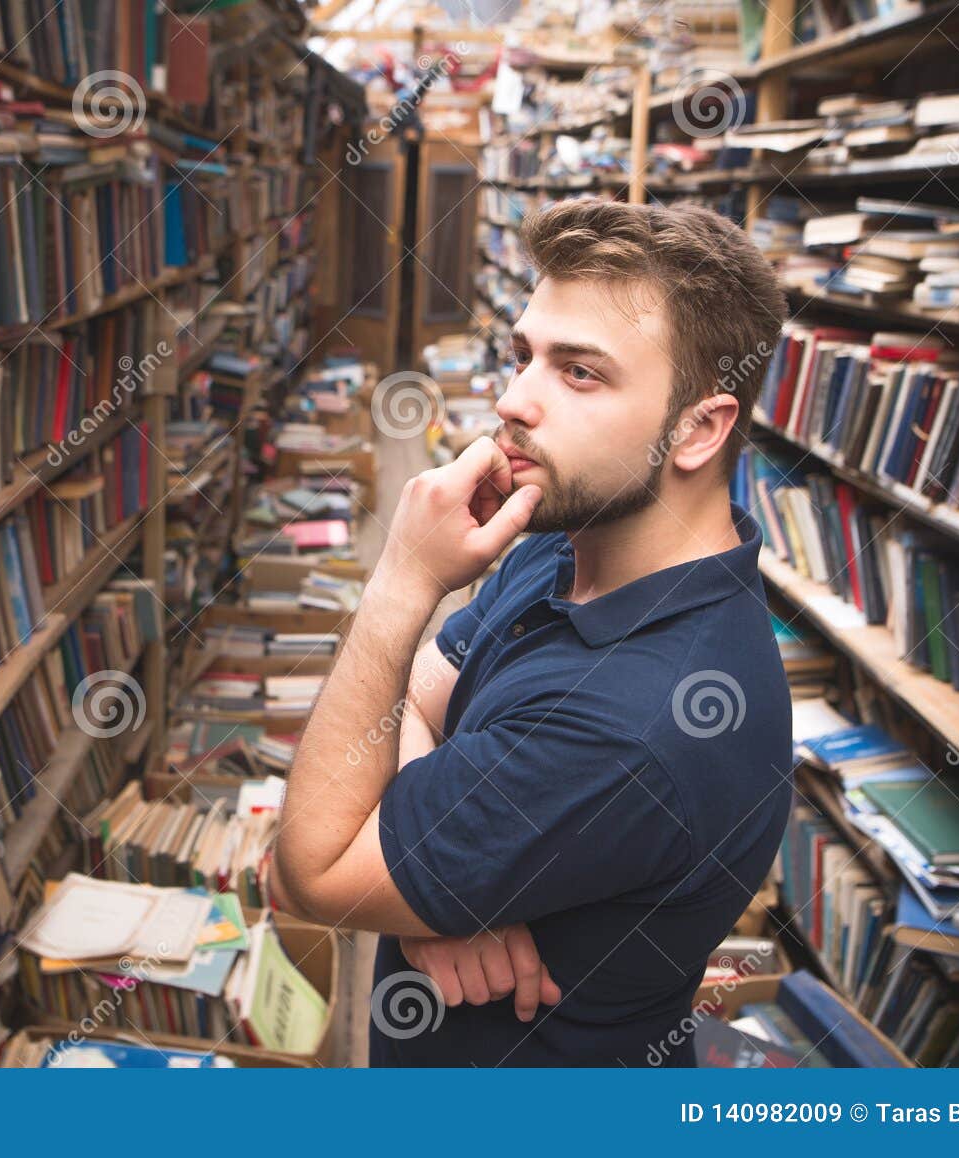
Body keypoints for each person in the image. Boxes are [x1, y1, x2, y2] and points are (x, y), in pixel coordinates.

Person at [269, 199, 794, 1066]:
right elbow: (413, 699)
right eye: (523, 356)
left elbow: (308, 870)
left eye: (579, 373)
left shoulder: (634, 725)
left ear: (700, 428)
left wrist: (402, 581)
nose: (513, 401)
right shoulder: (564, 537)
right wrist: (442, 887)